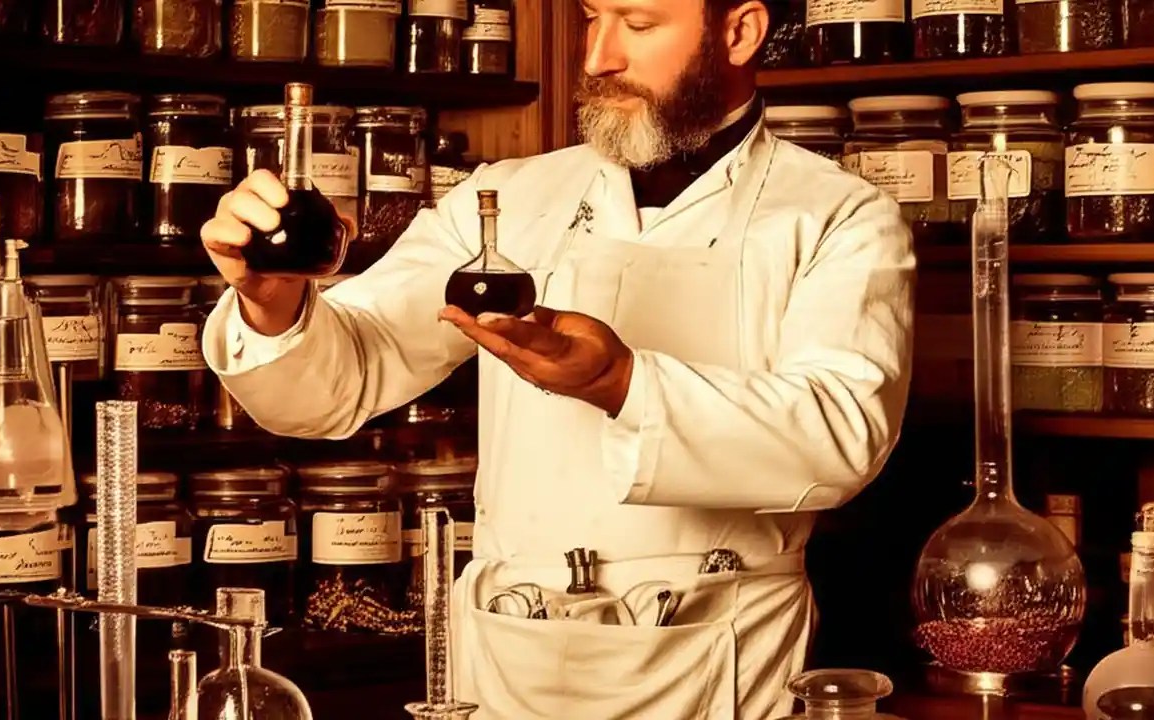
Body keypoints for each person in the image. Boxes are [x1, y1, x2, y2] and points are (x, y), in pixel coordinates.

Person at [200, 0, 915, 716]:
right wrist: (273, 303)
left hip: (716, 656)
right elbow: (343, 376)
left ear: (738, 34)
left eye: (636, 25)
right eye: (589, 19)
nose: (597, 57)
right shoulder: (507, 196)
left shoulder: (838, 216)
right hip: (515, 648)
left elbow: (839, 436)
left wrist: (620, 382)